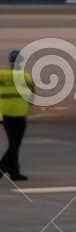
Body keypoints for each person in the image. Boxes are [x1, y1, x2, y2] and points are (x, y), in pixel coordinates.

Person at [0, 50, 32, 182]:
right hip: (19, 115)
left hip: (6, 114)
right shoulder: (26, 77)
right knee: (15, 145)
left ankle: (14, 172)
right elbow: (32, 95)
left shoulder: (2, 75)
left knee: (14, 144)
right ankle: (4, 168)